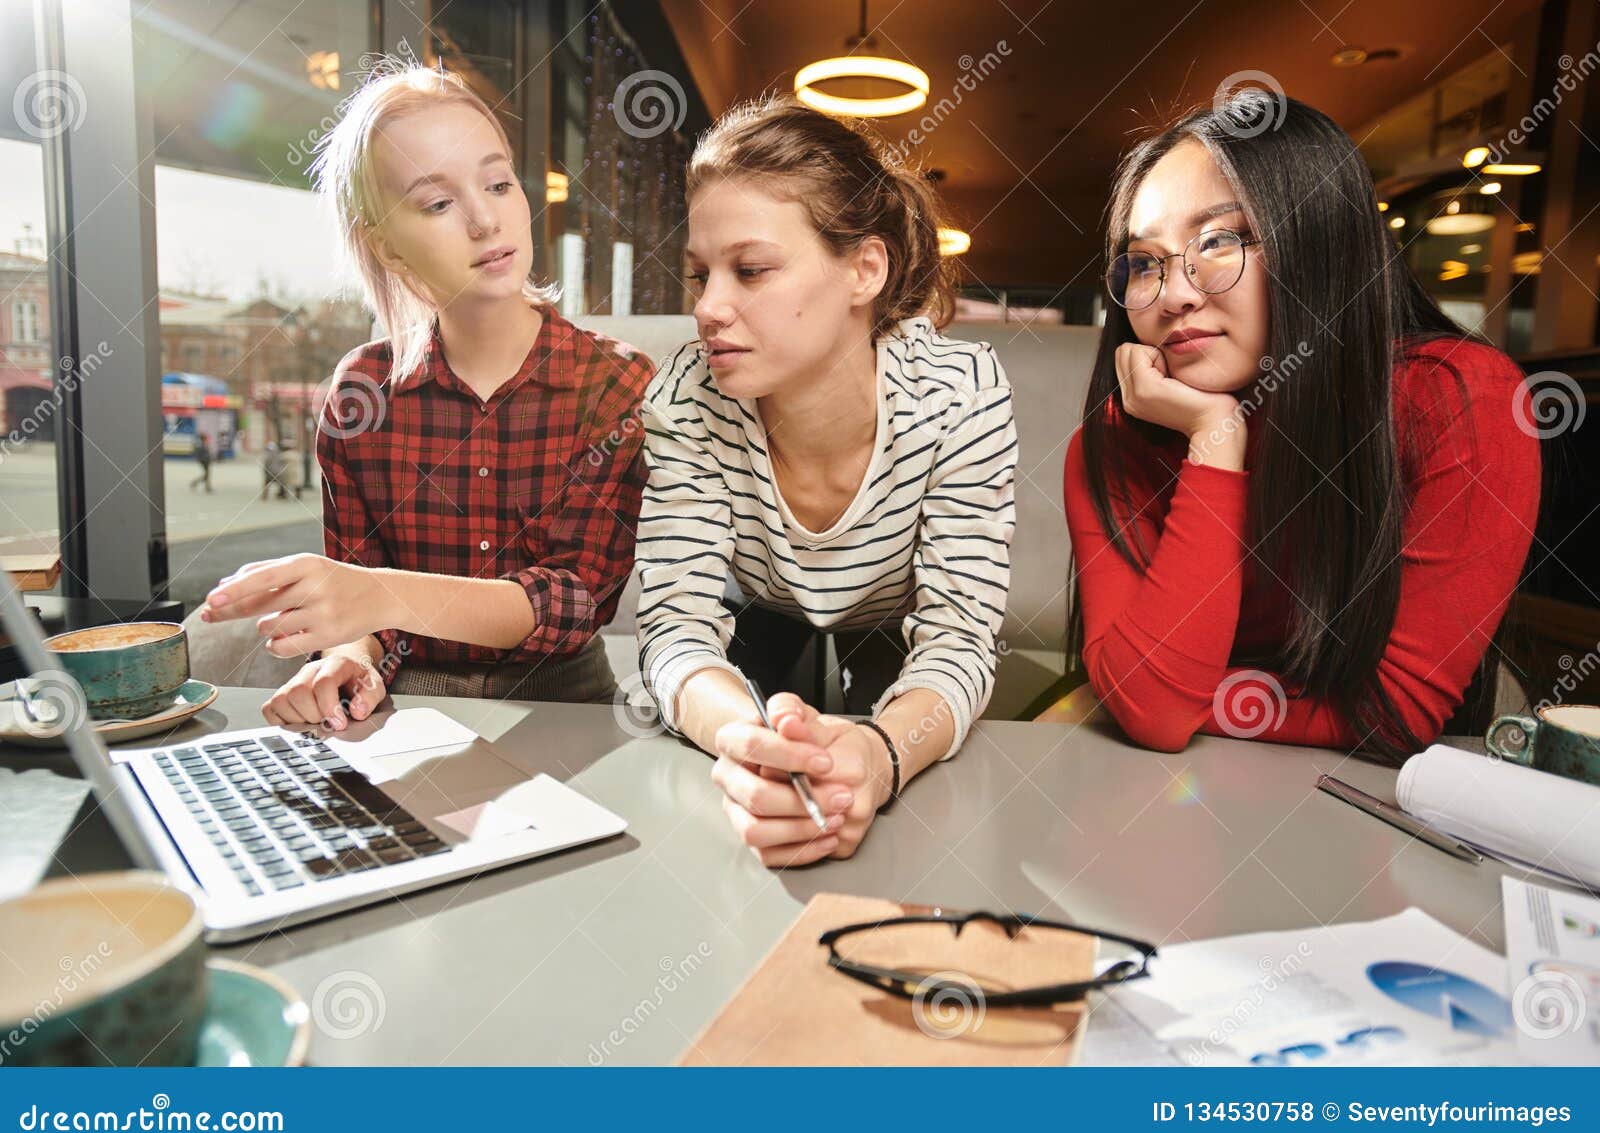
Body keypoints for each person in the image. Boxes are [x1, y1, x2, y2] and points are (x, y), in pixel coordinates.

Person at [1060, 91, 1540, 764]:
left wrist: (1179, 693)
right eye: (1145, 261)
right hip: (1181, 802)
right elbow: (1157, 710)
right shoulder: (1115, 440)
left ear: (1316, 237)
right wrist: (1216, 440)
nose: (1173, 294)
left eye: (1218, 240)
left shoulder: (1460, 400)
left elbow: (1395, 711)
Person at [199, 61, 652, 730]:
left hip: (564, 704)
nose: (484, 219)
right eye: (438, 203)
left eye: (499, 184)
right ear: (389, 249)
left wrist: (376, 596)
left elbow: (574, 602)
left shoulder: (615, 384)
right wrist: (351, 654)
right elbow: (362, 604)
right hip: (407, 705)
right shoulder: (361, 393)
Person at [635, 96, 1018, 866]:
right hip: (756, 613)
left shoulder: (962, 392)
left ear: (864, 269)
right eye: (700, 274)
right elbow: (675, 625)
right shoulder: (685, 397)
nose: (708, 307)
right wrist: (751, 746)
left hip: (892, 617)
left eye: (751, 270)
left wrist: (876, 756)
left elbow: (957, 637)